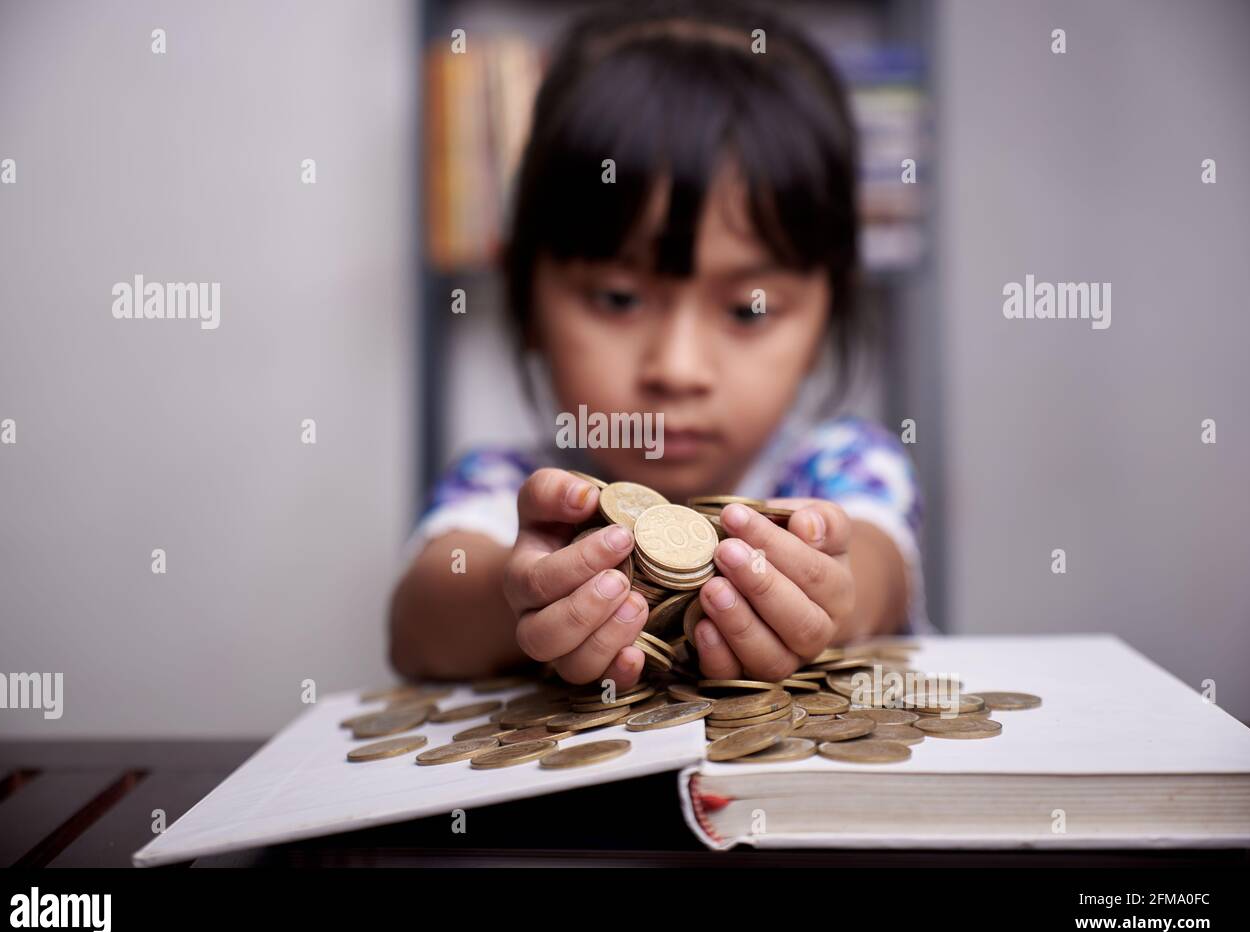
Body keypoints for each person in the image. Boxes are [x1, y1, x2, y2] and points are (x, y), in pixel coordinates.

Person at [390, 0, 925, 690]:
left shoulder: (841, 468)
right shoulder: (504, 489)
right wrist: (517, 593)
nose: (677, 369)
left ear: (827, 318)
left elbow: (878, 569)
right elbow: (419, 623)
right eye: (617, 298)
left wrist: (836, 590)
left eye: (748, 308)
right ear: (526, 303)